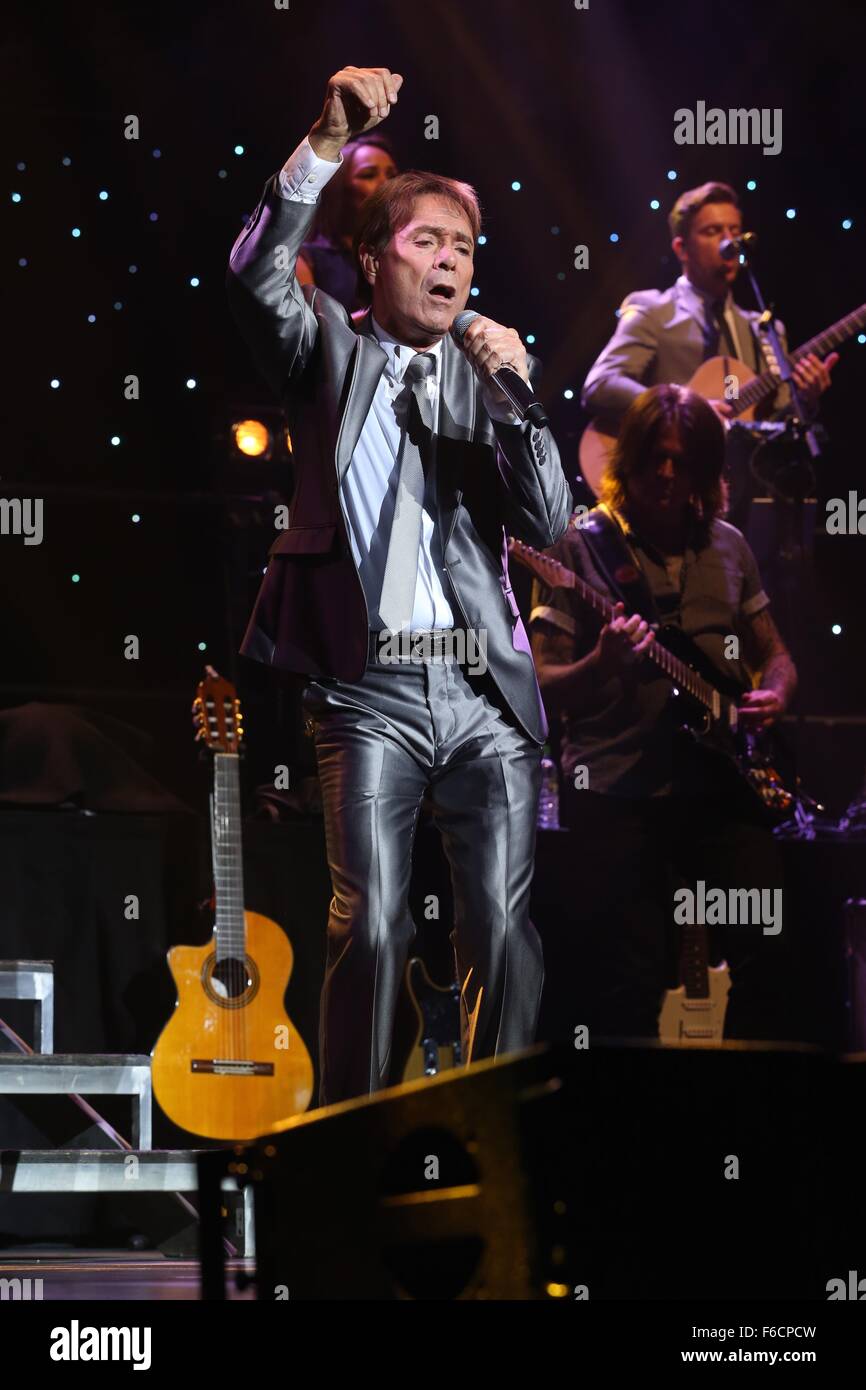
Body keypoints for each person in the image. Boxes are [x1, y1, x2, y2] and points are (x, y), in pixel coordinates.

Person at [227, 65, 572, 1105]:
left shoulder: (487, 373)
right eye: (424, 240)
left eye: (462, 248)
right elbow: (254, 270)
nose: (448, 261)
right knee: (370, 920)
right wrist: (326, 134)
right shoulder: (326, 346)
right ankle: (351, 1147)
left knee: (502, 930)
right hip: (366, 686)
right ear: (372, 258)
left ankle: (491, 1137)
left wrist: (516, 396)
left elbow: (550, 522)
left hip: (481, 690)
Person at [529, 383, 797, 1042]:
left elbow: (779, 657)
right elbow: (535, 683)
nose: (667, 473)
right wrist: (603, 665)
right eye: (654, 456)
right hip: (619, 790)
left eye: (683, 460)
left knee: (770, 951)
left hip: (720, 788)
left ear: (708, 470)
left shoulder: (730, 547)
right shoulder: (578, 551)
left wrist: (776, 693)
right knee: (628, 983)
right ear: (630, 460)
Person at [581, 181, 837, 520]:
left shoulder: (765, 330)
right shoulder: (653, 311)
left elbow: (774, 428)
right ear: (681, 247)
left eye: (734, 230)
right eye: (713, 231)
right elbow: (600, 386)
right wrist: (682, 408)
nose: (728, 241)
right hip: (661, 497)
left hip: (737, 505)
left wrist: (804, 400)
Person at [295, 130, 399, 313]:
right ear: (339, 189)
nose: (387, 185)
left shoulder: (401, 254)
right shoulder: (306, 260)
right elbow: (309, 336)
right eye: (368, 175)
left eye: (392, 175)